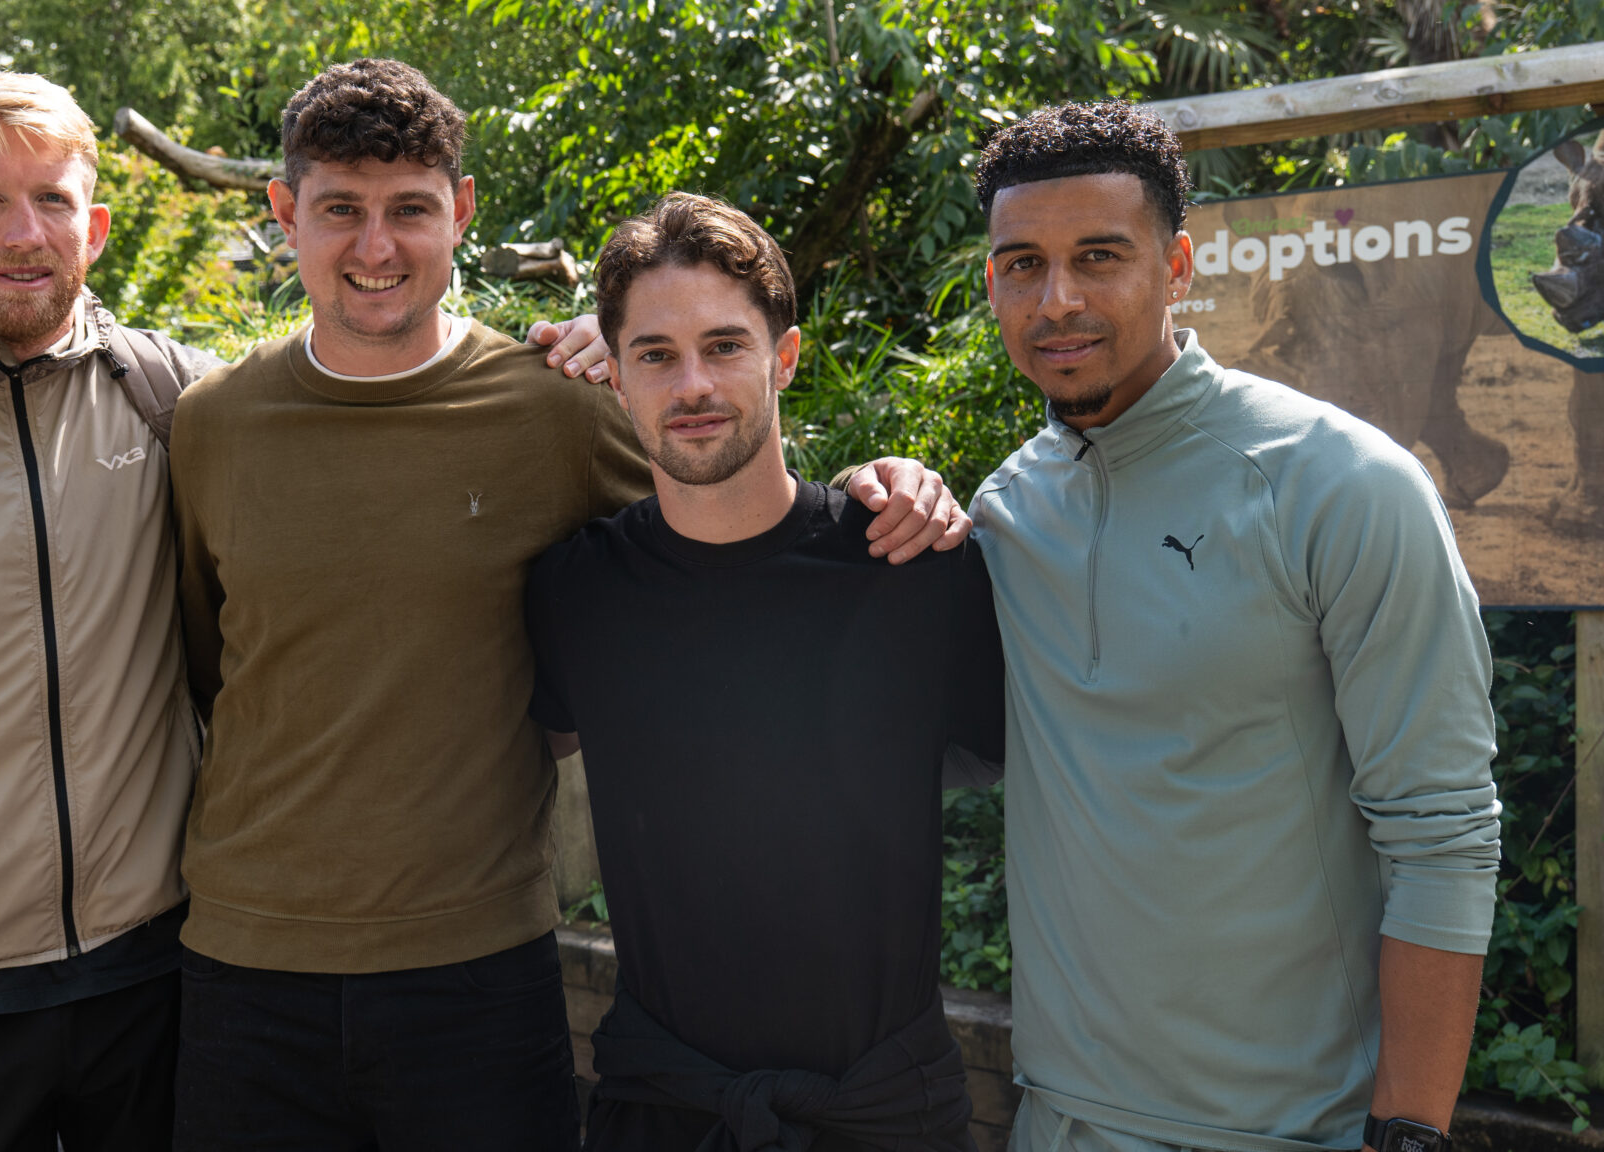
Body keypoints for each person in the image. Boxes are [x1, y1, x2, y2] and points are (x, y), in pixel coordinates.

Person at [0, 69, 624, 1150]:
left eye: (52, 199)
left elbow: (714, 510)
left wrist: (630, 351)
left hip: (185, 964)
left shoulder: (178, 401)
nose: (27, 232)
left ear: (93, 225)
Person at [167, 59, 967, 1152]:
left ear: (459, 212)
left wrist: (887, 484)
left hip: (475, 969)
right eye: (338, 210)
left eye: (408, 209)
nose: (374, 247)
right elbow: (212, 666)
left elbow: (728, 485)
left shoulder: (554, 411)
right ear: (282, 213)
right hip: (245, 968)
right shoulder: (210, 423)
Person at [967, 102, 1502, 1152]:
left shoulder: (1342, 485)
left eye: (1098, 257)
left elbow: (1441, 834)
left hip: (1286, 1131)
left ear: (1174, 269)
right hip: (1054, 1118)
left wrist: (1407, 1131)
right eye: (1021, 264)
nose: (1056, 299)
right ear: (991, 283)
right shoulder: (1001, 514)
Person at [524, 192, 1006, 1152]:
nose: (692, 382)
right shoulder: (573, 591)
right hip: (663, 1111)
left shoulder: (912, 562)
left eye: (726, 346)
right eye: (655, 355)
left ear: (784, 357)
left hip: (885, 1112)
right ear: (613, 377)